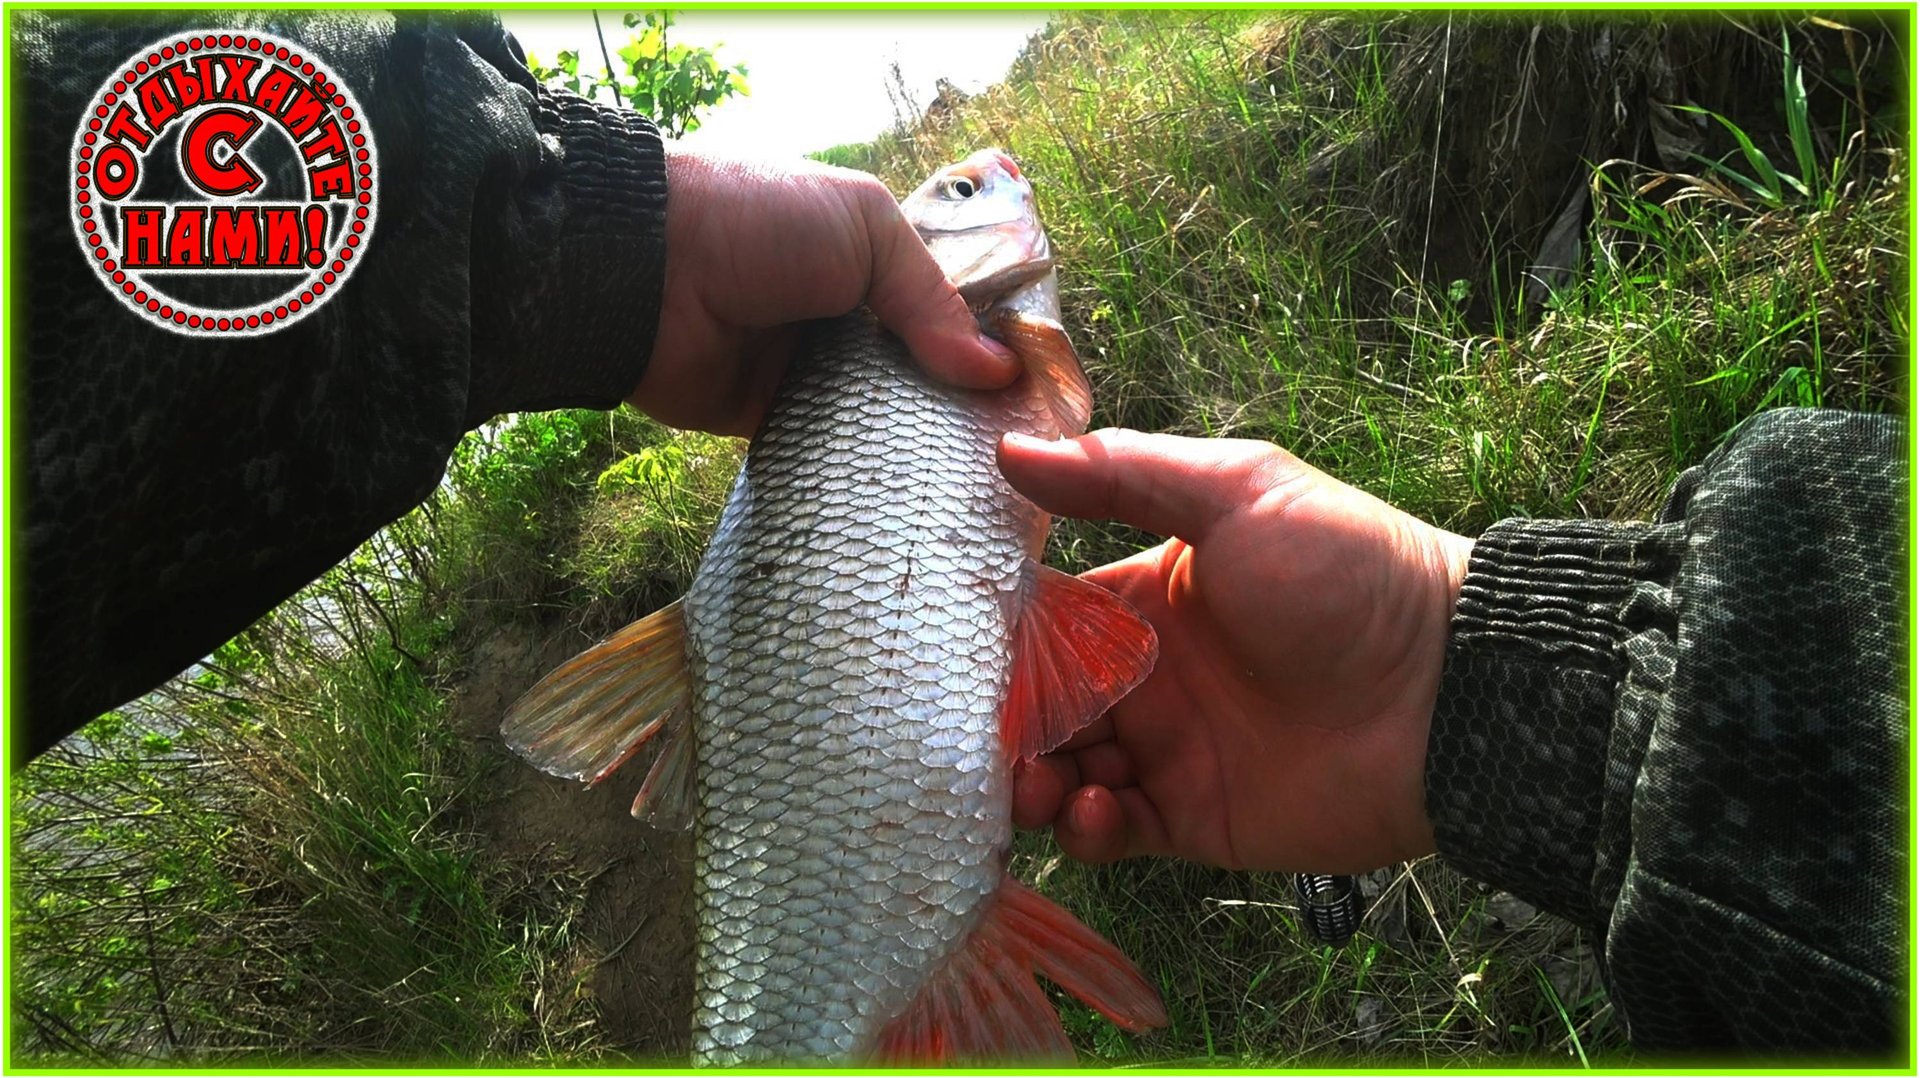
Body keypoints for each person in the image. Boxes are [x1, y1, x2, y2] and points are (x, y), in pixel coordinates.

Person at [20, 10, 1903, 1062]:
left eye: (974, 196)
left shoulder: (940, 368)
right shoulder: (923, 350)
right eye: (955, 195)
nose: (987, 193)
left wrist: (557, 241)